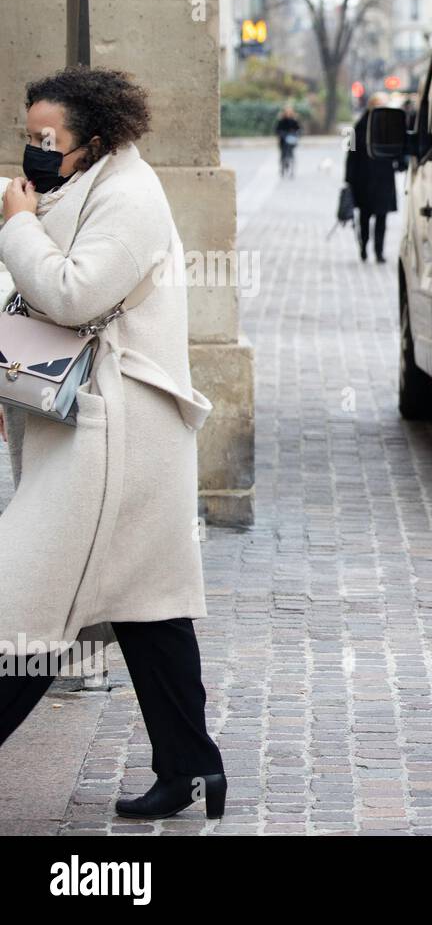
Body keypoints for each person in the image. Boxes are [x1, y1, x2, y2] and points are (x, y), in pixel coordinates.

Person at [0, 67, 225, 820]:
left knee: (27, 603)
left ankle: (191, 764)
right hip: (99, 424)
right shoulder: (80, 187)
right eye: (28, 136)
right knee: (148, 606)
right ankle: (192, 765)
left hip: (116, 432)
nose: (33, 151)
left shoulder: (128, 197)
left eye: (46, 139)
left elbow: (71, 294)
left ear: (91, 139)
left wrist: (16, 226)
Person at [346, 94, 402, 263]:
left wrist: (400, 162)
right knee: (364, 216)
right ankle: (363, 246)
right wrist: (349, 180)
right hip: (364, 180)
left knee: (382, 217)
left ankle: (379, 250)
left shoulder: (389, 127)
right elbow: (351, 155)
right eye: (377, 105)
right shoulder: (359, 127)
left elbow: (398, 150)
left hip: (383, 178)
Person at [274, 105, 301, 178]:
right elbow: (277, 130)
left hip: (291, 139)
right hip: (283, 140)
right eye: (287, 112)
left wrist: (296, 134)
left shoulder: (294, 120)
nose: (288, 113)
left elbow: (298, 129)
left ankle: (290, 163)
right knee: (283, 153)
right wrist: (281, 135)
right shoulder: (281, 120)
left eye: (290, 112)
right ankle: (282, 165)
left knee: (291, 152)